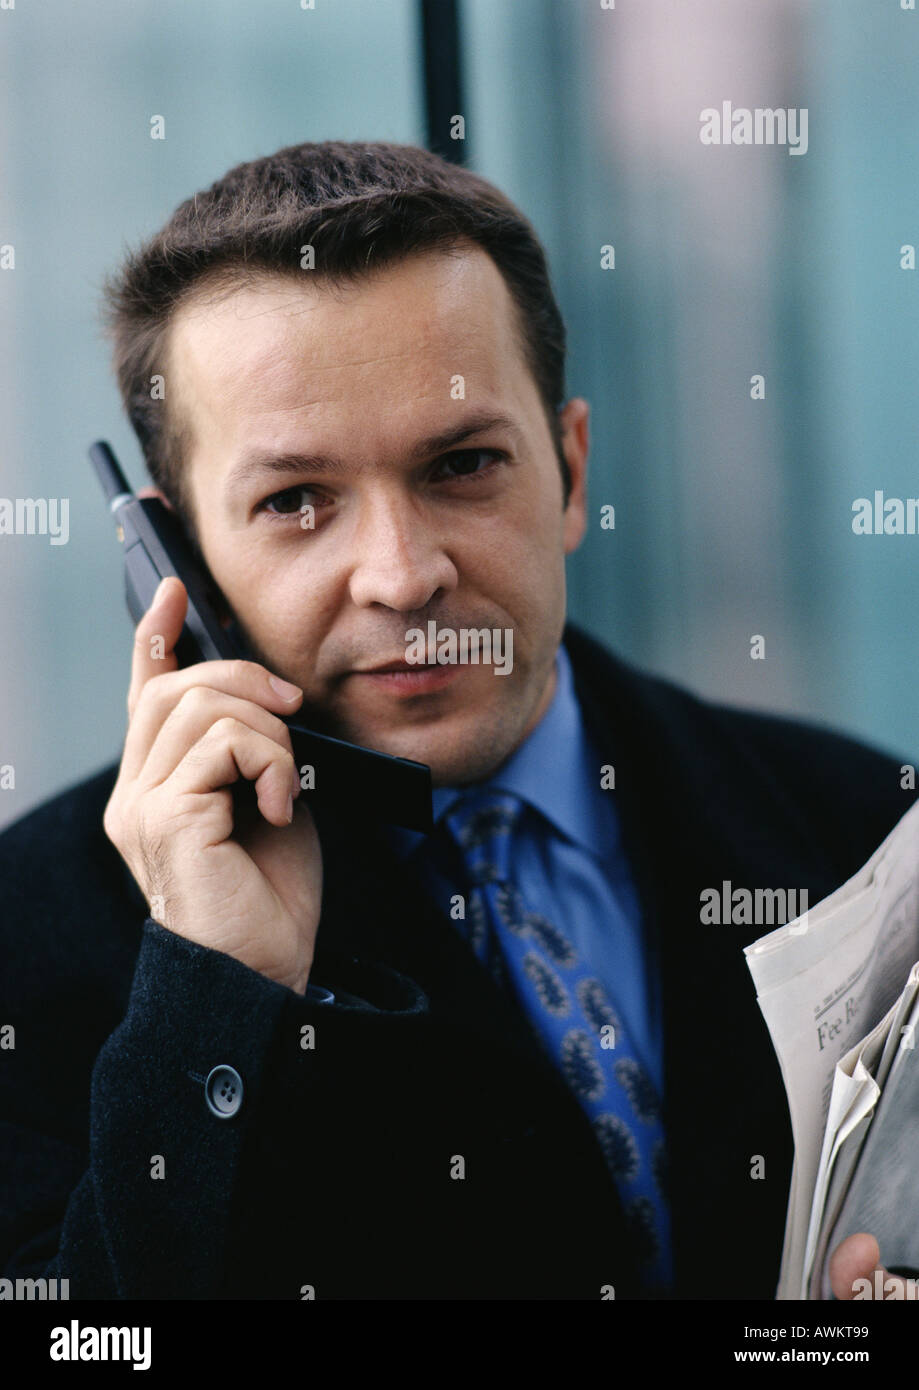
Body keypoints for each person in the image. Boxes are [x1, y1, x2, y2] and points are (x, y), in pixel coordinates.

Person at [0, 140, 911, 1301]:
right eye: (294, 501)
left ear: (571, 474)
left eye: (463, 465)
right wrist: (212, 993)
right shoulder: (31, 940)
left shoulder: (868, 831)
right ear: (184, 564)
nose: (401, 573)